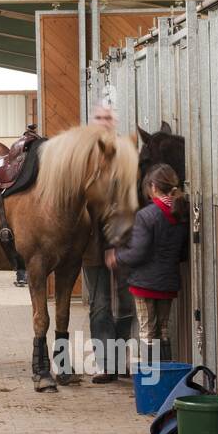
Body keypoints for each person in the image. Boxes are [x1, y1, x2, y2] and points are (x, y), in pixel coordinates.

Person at [107, 163, 189, 366]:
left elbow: (138, 252)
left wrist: (117, 257)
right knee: (163, 330)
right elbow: (183, 253)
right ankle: (165, 378)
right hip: (168, 282)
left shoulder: (147, 216)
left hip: (145, 284)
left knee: (146, 331)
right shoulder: (181, 214)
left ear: (153, 186)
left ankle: (148, 382)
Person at [81, 104, 134, 382]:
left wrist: (117, 243)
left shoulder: (124, 156)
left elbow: (124, 203)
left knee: (127, 304)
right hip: (91, 245)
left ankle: (120, 357)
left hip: (122, 242)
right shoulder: (84, 159)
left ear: (115, 122)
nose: (103, 122)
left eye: (108, 118)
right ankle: (105, 363)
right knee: (100, 304)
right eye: (99, 118)